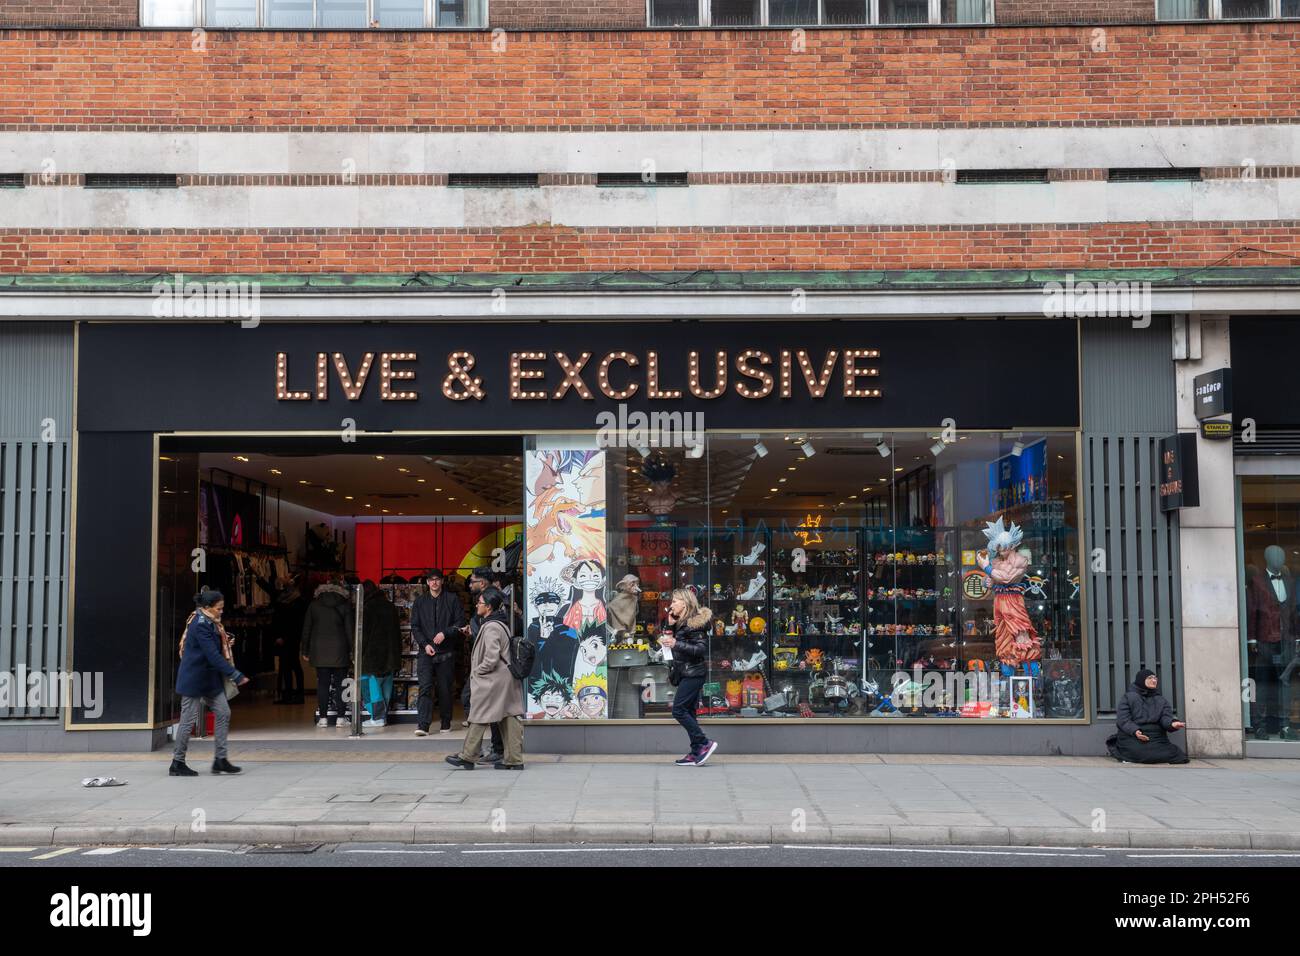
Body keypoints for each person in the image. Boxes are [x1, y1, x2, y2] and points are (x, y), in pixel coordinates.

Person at [170, 589, 250, 776]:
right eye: (218, 608)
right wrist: (235, 674)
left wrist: (225, 640)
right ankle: (177, 762)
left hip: (209, 679)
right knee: (187, 721)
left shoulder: (212, 622)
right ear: (207, 607)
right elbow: (212, 655)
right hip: (194, 679)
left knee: (223, 712)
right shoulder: (200, 624)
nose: (221, 612)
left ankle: (220, 760)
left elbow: (213, 648)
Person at [446, 587, 525, 770]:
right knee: (509, 715)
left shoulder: (490, 628)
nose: (477, 605)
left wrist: (477, 671)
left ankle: (467, 756)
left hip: (493, 679)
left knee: (479, 714)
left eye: (480, 602)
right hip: (506, 678)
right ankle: (514, 759)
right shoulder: (501, 624)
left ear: (488, 607)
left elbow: (491, 658)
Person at [658, 587, 718, 766]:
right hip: (684, 672)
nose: (672, 605)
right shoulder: (679, 622)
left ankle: (704, 743)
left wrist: (676, 643)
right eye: (672, 601)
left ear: (685, 603)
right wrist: (669, 624)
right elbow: (669, 641)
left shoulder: (694, 623)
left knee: (679, 710)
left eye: (675, 601)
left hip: (694, 672)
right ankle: (696, 752)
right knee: (689, 711)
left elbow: (700, 649)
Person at [411, 568, 465, 736]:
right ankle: (423, 725)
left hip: (446, 652)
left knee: (445, 689)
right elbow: (415, 626)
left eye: (437, 579)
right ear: (427, 582)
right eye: (431, 580)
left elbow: (460, 623)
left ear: (442, 581)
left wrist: (445, 633)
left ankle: (446, 722)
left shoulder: (452, 599)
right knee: (425, 687)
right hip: (425, 651)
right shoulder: (420, 601)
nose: (434, 582)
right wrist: (424, 644)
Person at [301, 578, 355, 729]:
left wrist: (305, 650)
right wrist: (352, 651)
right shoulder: (344, 605)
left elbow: (306, 630)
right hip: (340, 649)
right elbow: (349, 631)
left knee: (323, 684)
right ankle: (340, 718)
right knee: (341, 685)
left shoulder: (314, 605)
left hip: (319, 650)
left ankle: (323, 718)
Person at [1107, 669, 1189, 764]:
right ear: (1141, 680)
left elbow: (1165, 718)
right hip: (1133, 736)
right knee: (1142, 753)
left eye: (1155, 678)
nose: (1154, 680)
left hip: (1156, 737)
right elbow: (1123, 720)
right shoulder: (1128, 697)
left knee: (1177, 755)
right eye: (1150, 678)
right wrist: (1135, 731)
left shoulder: (1161, 700)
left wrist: (1172, 724)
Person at [361, 580, 402, 728]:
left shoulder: (367, 607)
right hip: (391, 655)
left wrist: (357, 654)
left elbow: (363, 635)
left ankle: (377, 717)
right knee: (386, 687)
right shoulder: (390, 606)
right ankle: (382, 717)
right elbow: (397, 633)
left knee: (371, 687)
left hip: (373, 656)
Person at [270, 580, 307, 704]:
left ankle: (291, 694)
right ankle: (293, 694)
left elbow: (294, 623)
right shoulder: (290, 600)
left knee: (289, 666)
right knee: (290, 665)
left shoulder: (296, 602)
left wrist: (282, 637)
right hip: (289, 638)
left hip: (290, 638)